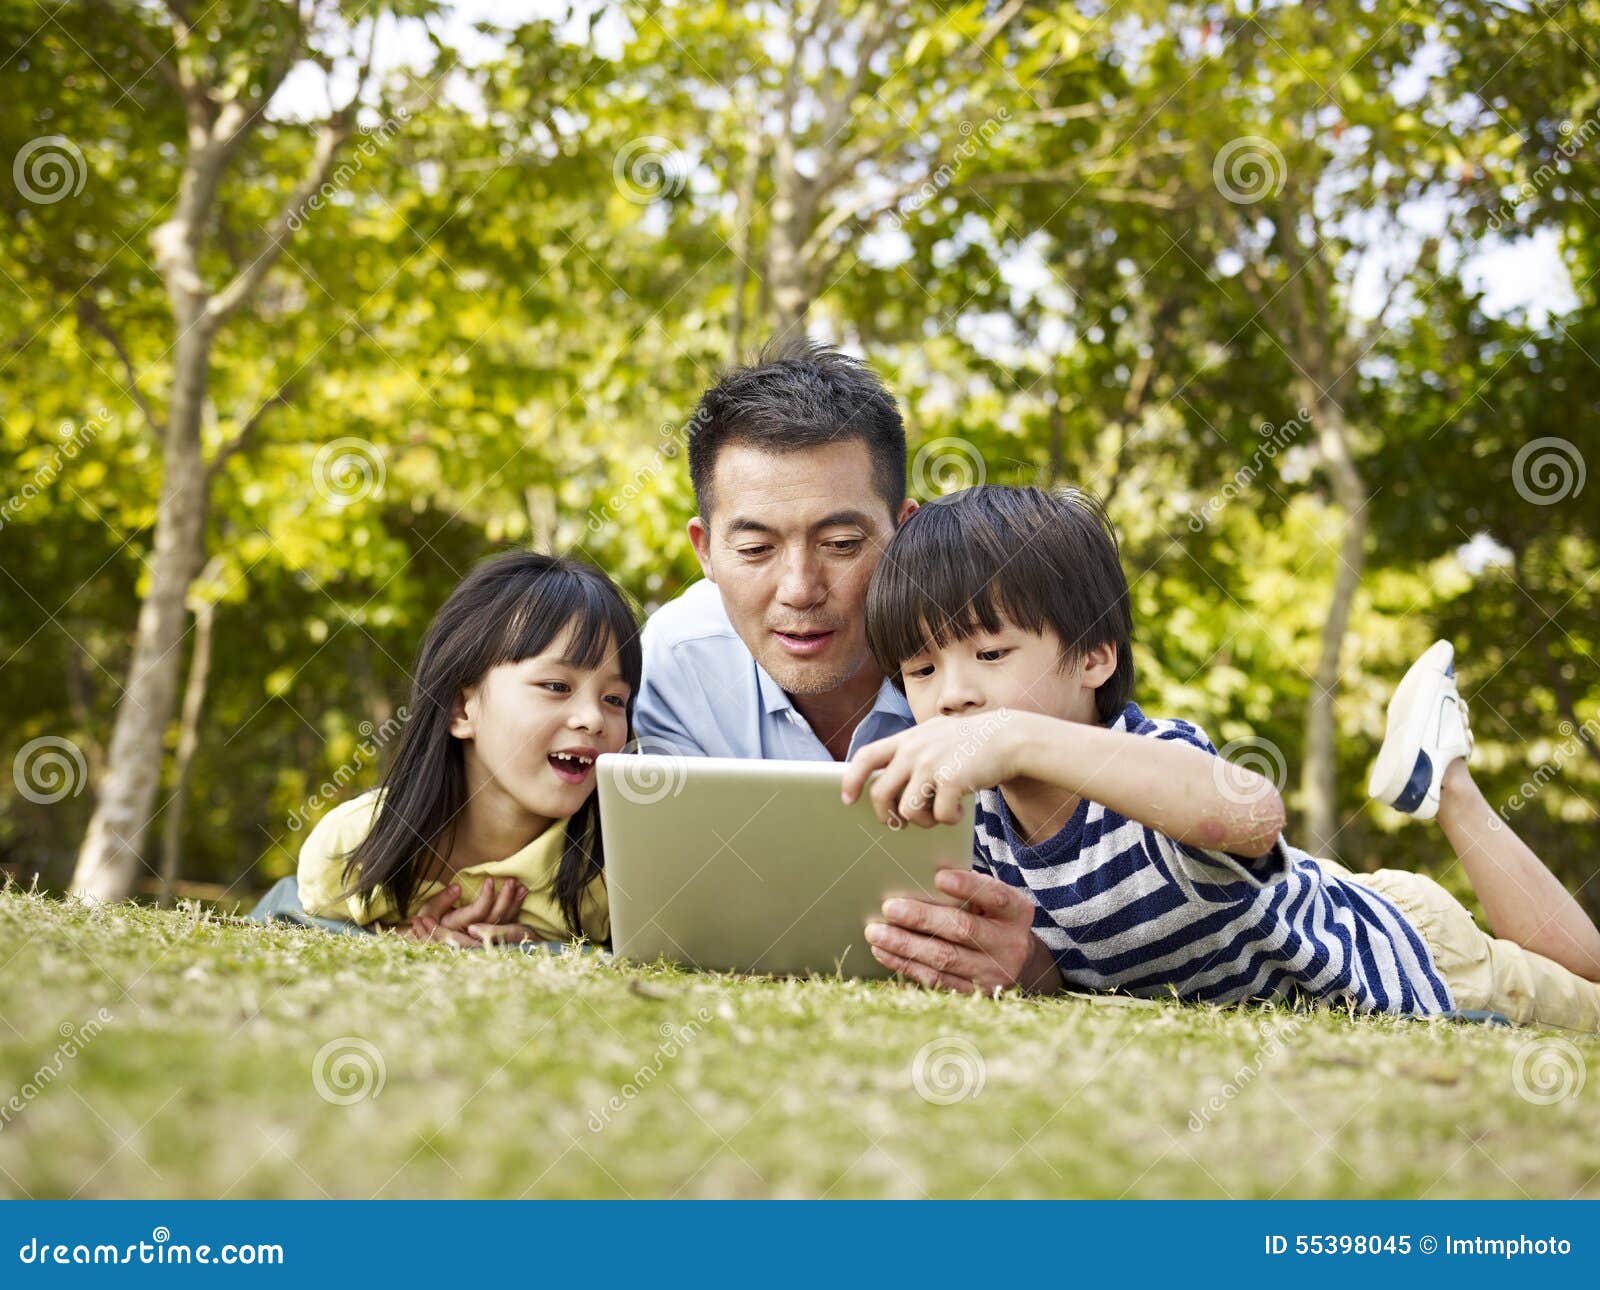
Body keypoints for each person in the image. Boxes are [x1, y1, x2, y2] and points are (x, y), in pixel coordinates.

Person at [842, 485, 1600, 1031]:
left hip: (1413, 952)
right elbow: (1080, 965)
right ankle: (1447, 777)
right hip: (1320, 907)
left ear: (1095, 657)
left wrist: (1016, 736)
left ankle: (1450, 782)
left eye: (993, 652)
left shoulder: (1147, 759)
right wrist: (1023, 968)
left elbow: (1248, 811)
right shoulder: (977, 831)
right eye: (922, 670)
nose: (954, 695)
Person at [251, 551, 640, 947]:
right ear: (460, 708)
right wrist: (392, 939)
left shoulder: (613, 877)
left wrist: (545, 948)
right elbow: (280, 932)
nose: (593, 719)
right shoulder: (352, 846)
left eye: (614, 699)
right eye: (557, 686)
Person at [634, 341, 917, 762]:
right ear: (706, 550)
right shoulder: (681, 658)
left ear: (904, 532)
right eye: (755, 549)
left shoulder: (989, 645)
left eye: (841, 544)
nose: (801, 590)